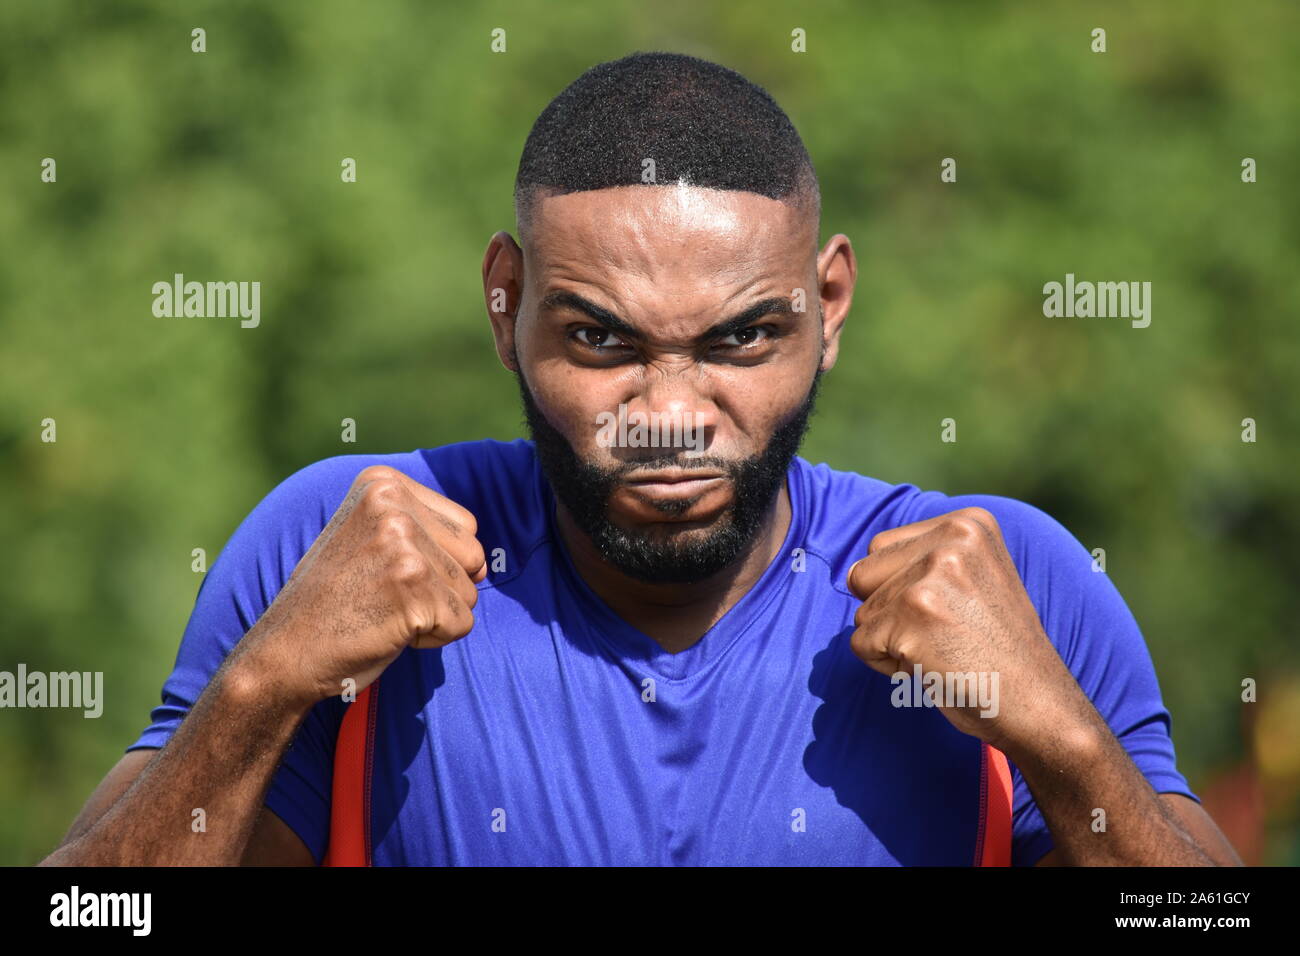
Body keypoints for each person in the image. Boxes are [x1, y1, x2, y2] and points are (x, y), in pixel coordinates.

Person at [42, 51, 1240, 866]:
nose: (669, 414)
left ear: (828, 305)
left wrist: (1064, 743)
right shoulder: (343, 537)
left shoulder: (1005, 576)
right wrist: (260, 690)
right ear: (505, 301)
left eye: (741, 338)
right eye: (601, 339)